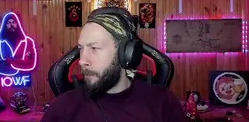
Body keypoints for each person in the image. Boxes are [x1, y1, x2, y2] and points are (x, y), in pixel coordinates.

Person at [43, 7, 187, 122]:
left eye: (94, 48)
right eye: (81, 48)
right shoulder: (61, 109)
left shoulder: (164, 103)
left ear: (127, 53)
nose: (82, 61)